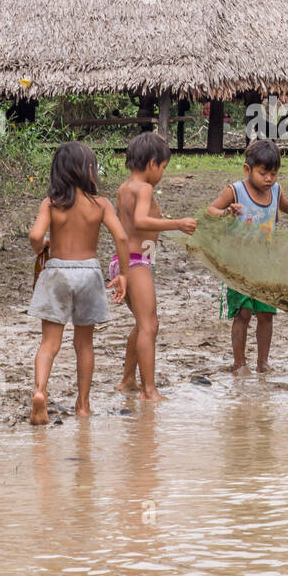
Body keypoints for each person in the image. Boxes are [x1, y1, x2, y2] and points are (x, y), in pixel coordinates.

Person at [206, 138, 288, 371]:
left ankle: (263, 363)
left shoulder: (275, 190)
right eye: (263, 173)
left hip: (266, 266)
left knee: (265, 315)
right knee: (243, 314)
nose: (269, 179)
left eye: (273, 173)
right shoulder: (236, 191)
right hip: (239, 266)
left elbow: (286, 206)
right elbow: (212, 209)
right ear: (247, 169)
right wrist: (226, 213)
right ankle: (239, 363)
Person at [28, 141, 128, 423]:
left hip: (57, 270)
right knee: (84, 344)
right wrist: (123, 274)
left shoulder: (51, 203)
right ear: (88, 172)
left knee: (49, 344)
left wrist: (42, 247)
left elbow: (36, 237)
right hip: (89, 272)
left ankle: (40, 391)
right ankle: (83, 404)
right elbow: (121, 237)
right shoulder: (101, 205)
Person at [113, 132, 197, 402]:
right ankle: (150, 391)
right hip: (136, 264)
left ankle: (128, 379)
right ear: (152, 164)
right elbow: (140, 222)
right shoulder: (145, 188)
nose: (162, 173)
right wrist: (177, 224)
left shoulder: (124, 188)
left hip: (122, 263)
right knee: (150, 325)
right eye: (163, 167)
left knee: (143, 323)